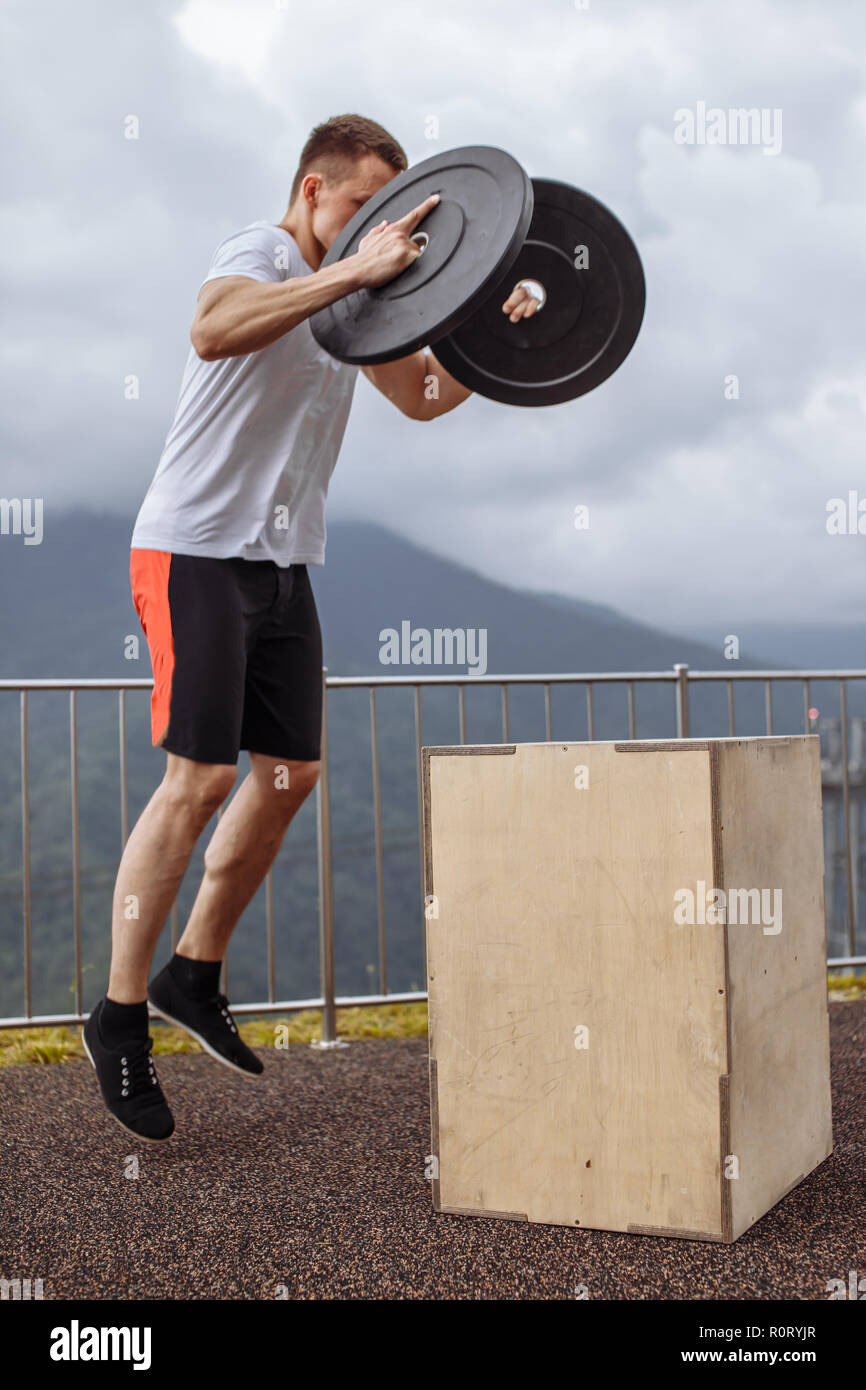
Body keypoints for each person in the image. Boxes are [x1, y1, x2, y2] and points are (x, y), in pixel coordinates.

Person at [82, 114, 541, 1141]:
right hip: (194, 549)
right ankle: (116, 1016)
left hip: (285, 562)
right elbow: (211, 327)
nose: (378, 226)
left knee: (290, 773)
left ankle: (191, 971)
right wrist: (352, 273)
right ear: (312, 194)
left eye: (390, 209)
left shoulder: (358, 294)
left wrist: (490, 336)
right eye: (361, 204)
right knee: (197, 778)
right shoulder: (262, 251)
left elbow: (422, 396)